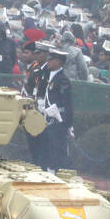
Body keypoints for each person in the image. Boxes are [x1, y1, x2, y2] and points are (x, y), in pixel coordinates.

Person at [37, 44, 73, 172]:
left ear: (58, 62)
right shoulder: (50, 77)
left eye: (51, 59)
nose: (48, 61)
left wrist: (65, 121)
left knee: (58, 151)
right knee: (49, 149)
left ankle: (58, 173)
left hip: (58, 121)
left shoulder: (62, 79)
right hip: (49, 120)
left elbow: (66, 103)